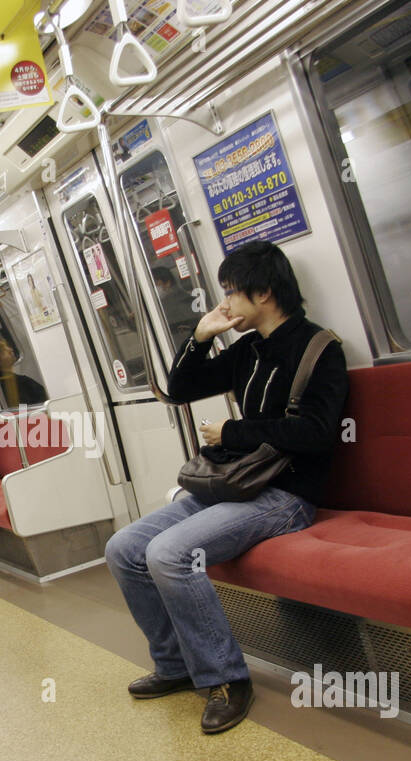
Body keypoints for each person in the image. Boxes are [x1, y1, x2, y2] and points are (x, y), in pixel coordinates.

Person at [105, 240, 349, 734]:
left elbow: (320, 435)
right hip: (231, 486)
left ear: (263, 293)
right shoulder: (247, 350)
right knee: (124, 547)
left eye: (231, 294)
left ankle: (226, 678)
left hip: (285, 495)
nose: (225, 305)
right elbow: (179, 389)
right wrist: (199, 336)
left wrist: (233, 433)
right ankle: (175, 665)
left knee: (169, 554)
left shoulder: (319, 349)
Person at [0, 339, 48, 408]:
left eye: (7, 346)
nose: (10, 350)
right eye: (3, 351)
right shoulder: (20, 383)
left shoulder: (22, 380)